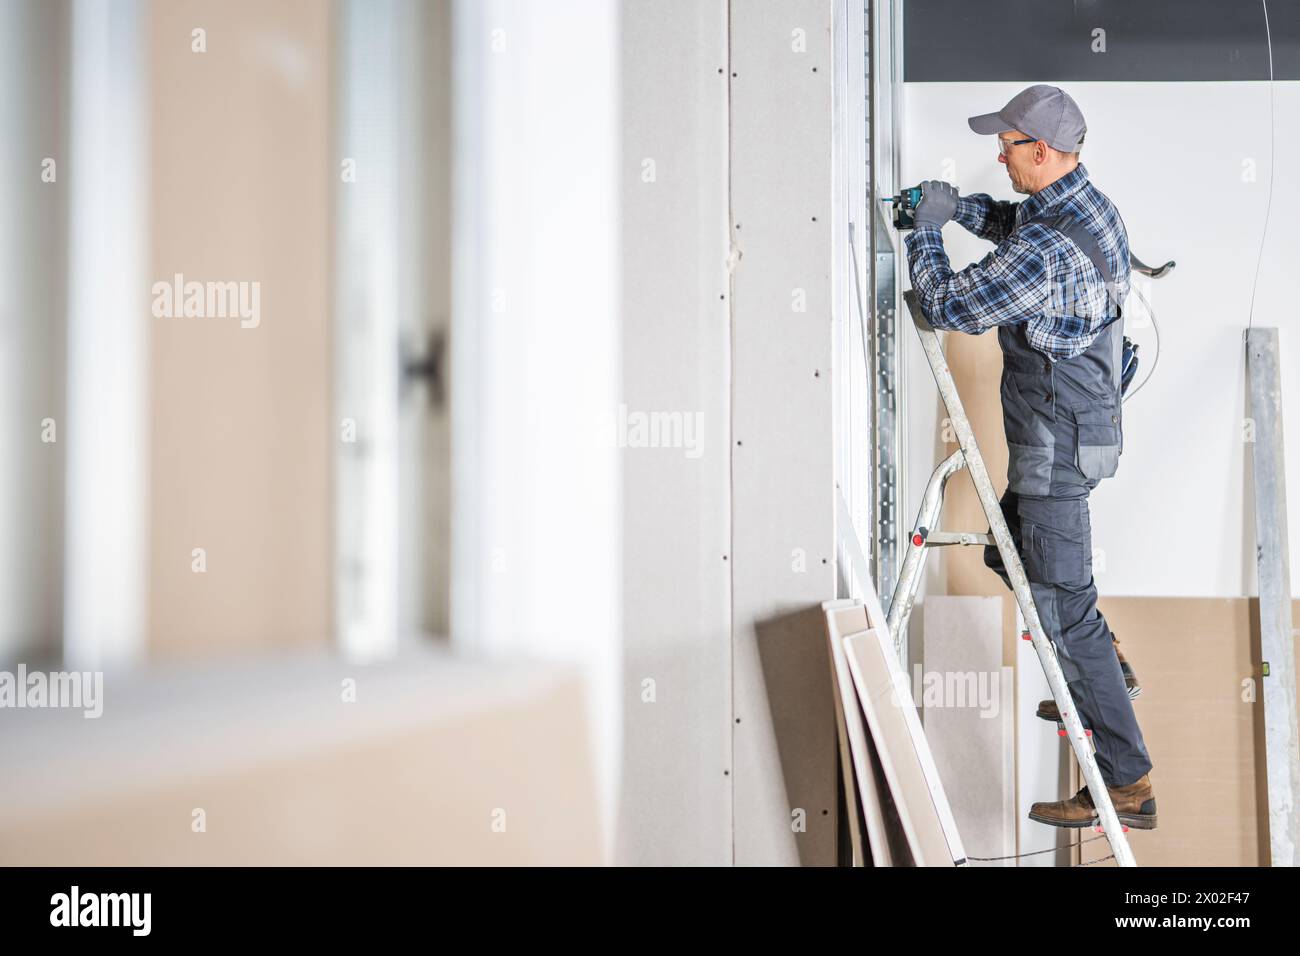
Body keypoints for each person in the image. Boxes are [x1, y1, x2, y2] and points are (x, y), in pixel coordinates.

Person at [905, 84, 1156, 830]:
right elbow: (1017, 223)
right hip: (1086, 430)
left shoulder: (1046, 253)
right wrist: (958, 209)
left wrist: (923, 233)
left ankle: (1128, 781)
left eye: (1008, 145)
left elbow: (946, 305)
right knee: (1009, 548)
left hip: (1056, 450)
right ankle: (1109, 664)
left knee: (1060, 611)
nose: (999, 154)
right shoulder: (1088, 206)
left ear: (1040, 151)